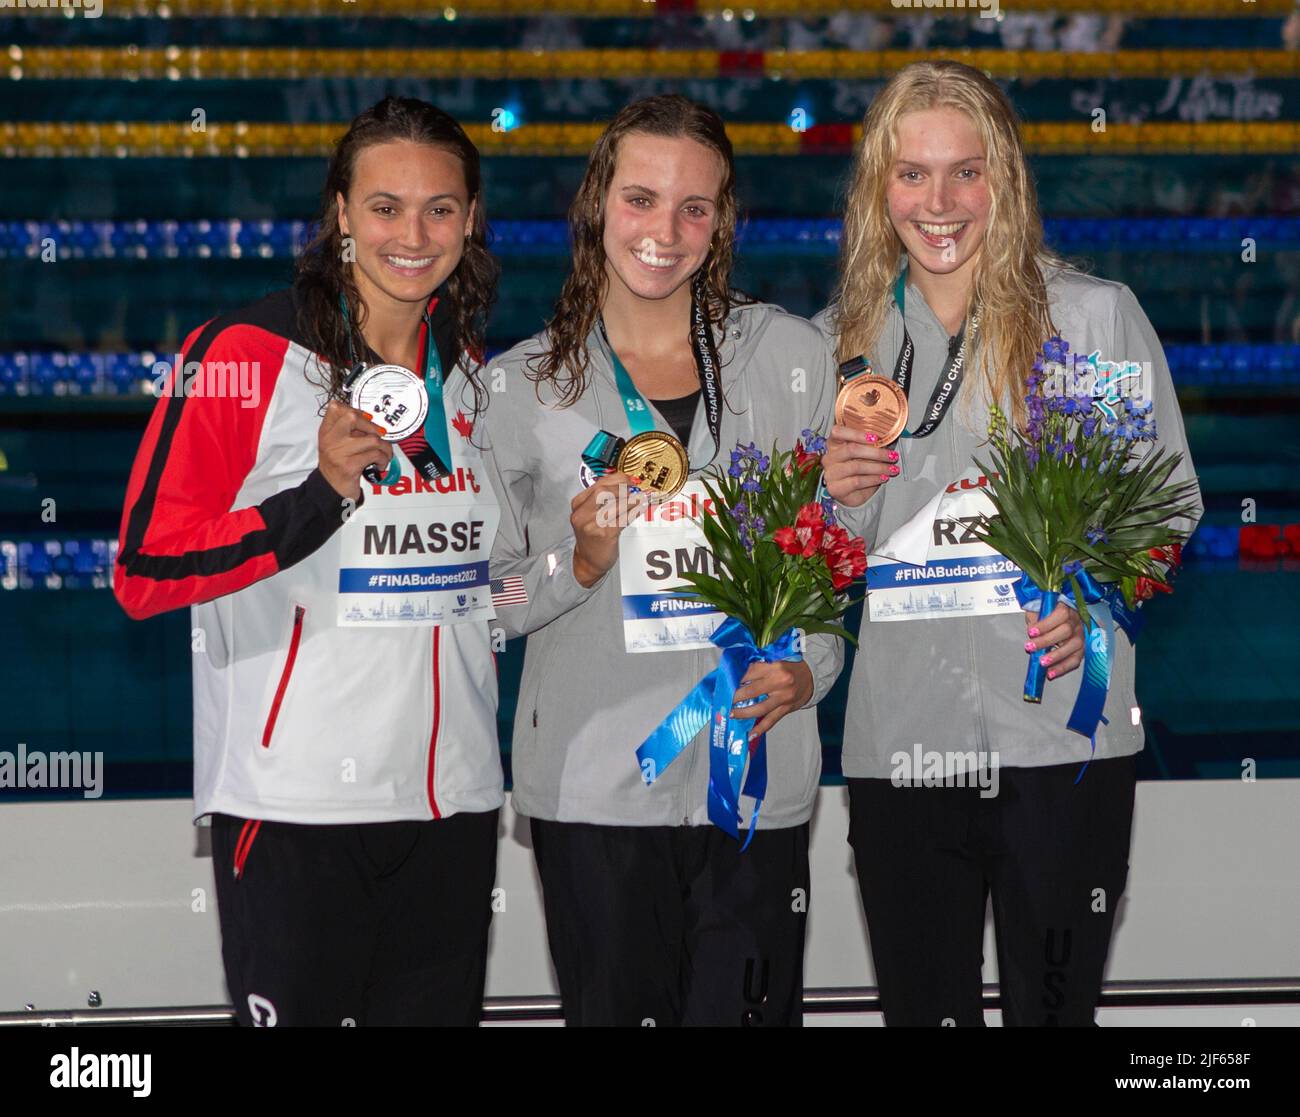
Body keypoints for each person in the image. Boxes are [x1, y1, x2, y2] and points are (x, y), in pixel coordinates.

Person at [817, 60, 1203, 1026]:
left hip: (1065, 739)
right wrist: (831, 497)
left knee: (1057, 1012)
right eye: (912, 174)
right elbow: (814, 560)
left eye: (966, 172)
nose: (938, 203)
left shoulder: (1092, 318)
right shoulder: (838, 347)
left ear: (1007, 181)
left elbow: (1167, 503)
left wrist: (1096, 597)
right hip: (906, 749)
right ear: (879, 188)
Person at [114, 97, 509, 1026]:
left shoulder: (470, 370)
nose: (412, 234)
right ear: (340, 213)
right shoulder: (243, 354)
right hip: (295, 807)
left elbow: (481, 575)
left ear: (471, 220)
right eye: (384, 206)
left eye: (440, 208)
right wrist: (315, 496)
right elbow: (144, 567)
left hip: (452, 804)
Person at [482, 94, 843, 1026]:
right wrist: (583, 561)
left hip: (757, 777)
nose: (665, 231)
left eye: (694, 207)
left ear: (721, 221)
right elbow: (489, 598)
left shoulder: (791, 357)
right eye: (641, 199)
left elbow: (833, 555)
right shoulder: (519, 389)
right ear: (597, 205)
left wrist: (813, 667)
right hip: (600, 788)